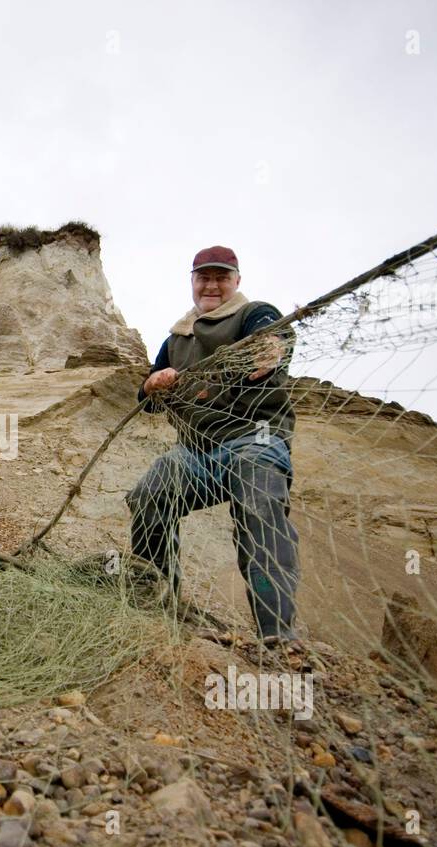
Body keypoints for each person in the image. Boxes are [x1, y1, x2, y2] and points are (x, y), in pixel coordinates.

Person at [126, 245, 300, 647]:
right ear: (192, 282)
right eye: (204, 277)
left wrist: (273, 347)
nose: (212, 285)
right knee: (149, 494)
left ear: (236, 281)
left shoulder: (253, 313)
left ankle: (277, 632)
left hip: (254, 440)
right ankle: (159, 602)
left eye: (222, 277)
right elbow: (146, 400)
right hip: (196, 453)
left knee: (258, 504)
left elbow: (276, 332)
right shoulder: (176, 338)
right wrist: (152, 384)